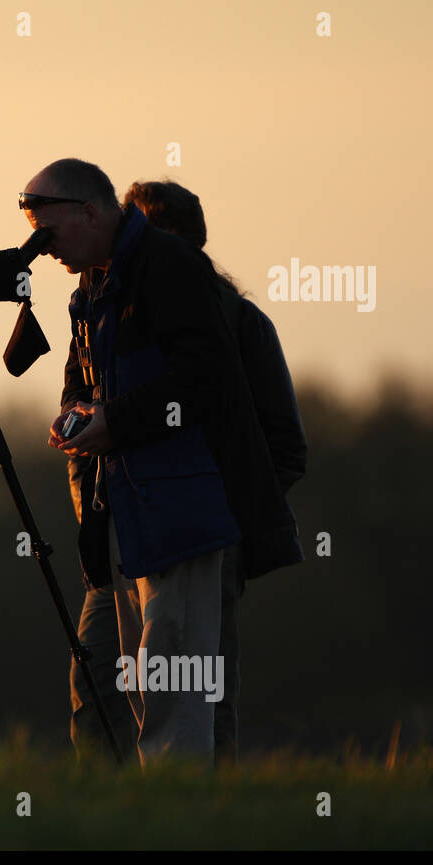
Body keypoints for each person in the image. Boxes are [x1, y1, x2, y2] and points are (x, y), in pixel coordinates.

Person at [18, 158, 302, 766]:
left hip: (188, 524)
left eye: (51, 231)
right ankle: (119, 811)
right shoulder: (94, 291)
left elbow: (257, 427)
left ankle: (189, 811)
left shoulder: (213, 304)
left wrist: (225, 520)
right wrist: (79, 421)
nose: (46, 251)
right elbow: (84, 388)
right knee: (112, 681)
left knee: (182, 688)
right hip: (123, 522)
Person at [122, 180, 307, 762]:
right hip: (121, 538)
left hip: (204, 540)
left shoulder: (242, 325)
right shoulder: (108, 317)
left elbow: (285, 447)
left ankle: (208, 814)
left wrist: (220, 520)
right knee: (102, 679)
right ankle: (104, 809)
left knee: (203, 688)